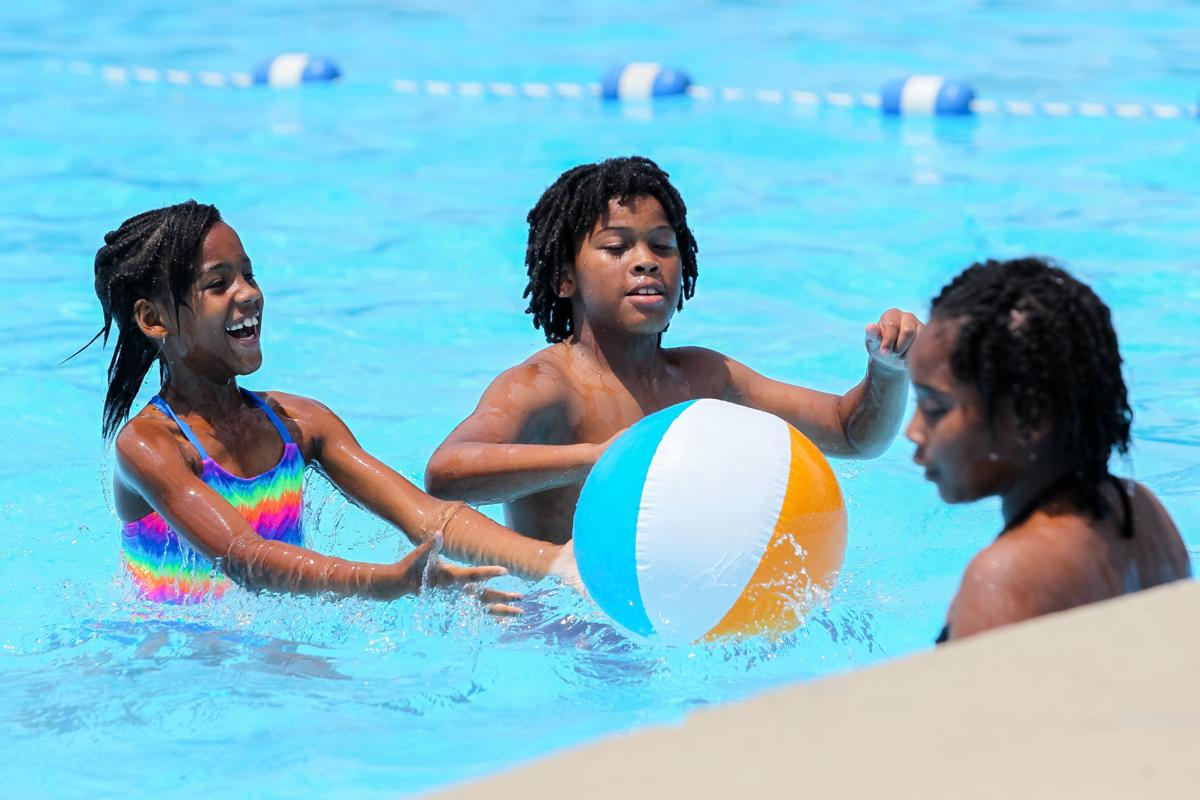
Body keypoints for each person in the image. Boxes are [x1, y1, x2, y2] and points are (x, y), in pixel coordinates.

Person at [87, 201, 572, 607]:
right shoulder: (149, 446)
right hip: (164, 658)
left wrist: (551, 563)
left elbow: (429, 516)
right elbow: (245, 557)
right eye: (219, 284)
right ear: (154, 320)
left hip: (268, 643)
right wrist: (386, 582)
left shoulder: (298, 423)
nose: (249, 294)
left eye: (249, 275)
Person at [426, 156, 923, 543]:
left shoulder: (706, 378)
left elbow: (852, 436)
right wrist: (595, 458)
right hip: (563, 624)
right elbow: (447, 472)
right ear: (564, 278)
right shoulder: (548, 387)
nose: (645, 262)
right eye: (616, 248)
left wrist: (887, 370)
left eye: (662, 246)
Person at [904, 257, 1191, 643]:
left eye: (935, 407)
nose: (914, 430)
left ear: (1031, 417)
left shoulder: (1005, 577)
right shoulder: (1143, 513)